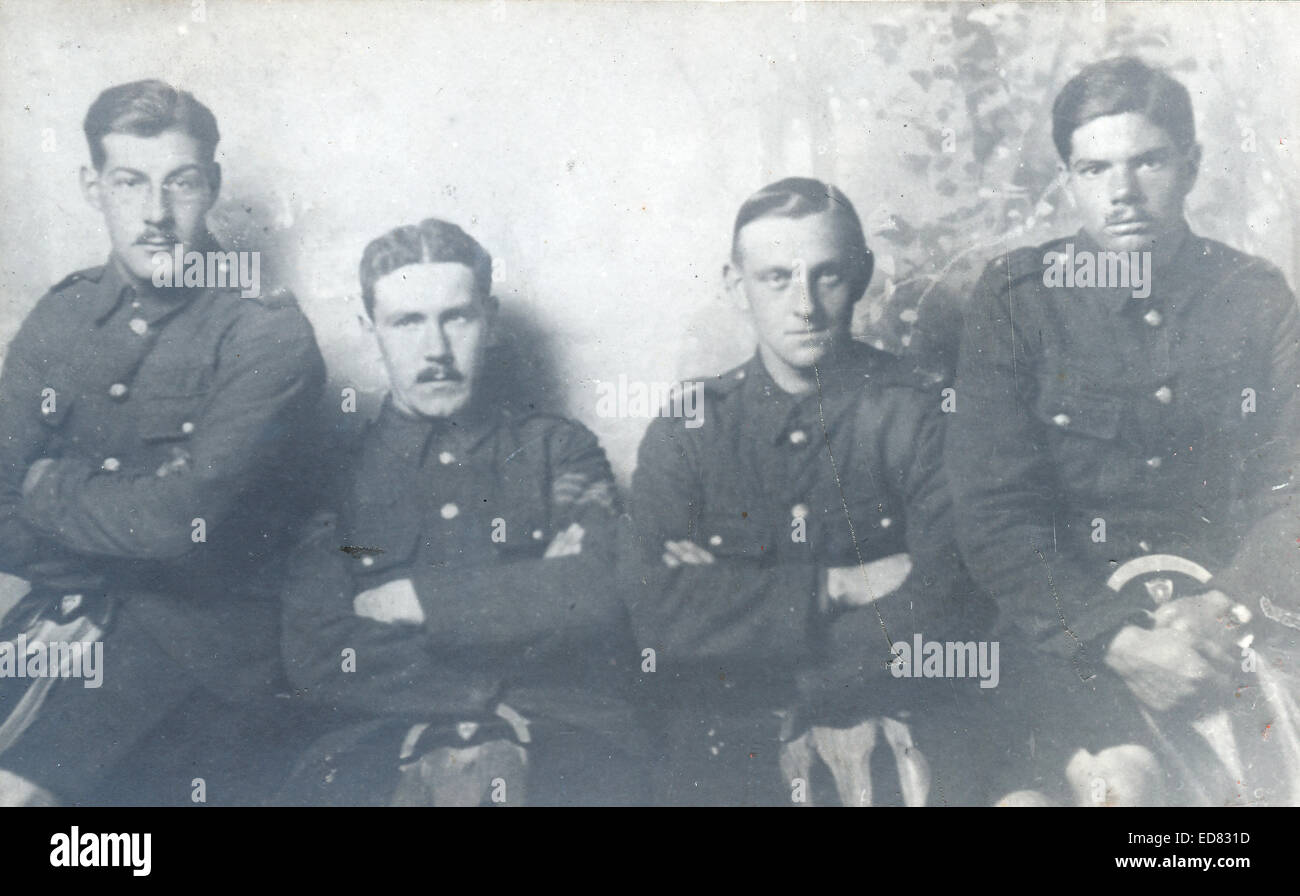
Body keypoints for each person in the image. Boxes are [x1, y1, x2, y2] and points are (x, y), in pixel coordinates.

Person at [946, 56, 1300, 806]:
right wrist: (1117, 639)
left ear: (1192, 164)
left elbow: (1296, 496)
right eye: (1094, 168)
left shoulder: (1257, 298)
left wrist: (1228, 607)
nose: (1123, 193)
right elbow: (993, 516)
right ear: (1069, 178)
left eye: (1148, 161)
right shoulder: (1019, 302)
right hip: (1068, 640)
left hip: (1231, 632)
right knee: (1110, 792)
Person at [0, 79, 326, 805]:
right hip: (64, 620)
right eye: (129, 182)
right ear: (93, 186)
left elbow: (183, 521)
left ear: (210, 186)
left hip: (206, 655)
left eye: (179, 183)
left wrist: (46, 488)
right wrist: (102, 547)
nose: (155, 215)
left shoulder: (264, 331)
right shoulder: (63, 316)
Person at [625, 177, 994, 806]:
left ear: (863, 274)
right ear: (734, 286)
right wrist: (839, 587)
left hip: (901, 738)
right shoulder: (690, 427)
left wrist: (739, 621)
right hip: (729, 757)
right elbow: (656, 618)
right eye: (776, 278)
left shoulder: (919, 412)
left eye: (827, 276)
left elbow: (953, 607)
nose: (805, 306)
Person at [278, 218, 646, 806]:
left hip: (565, 732)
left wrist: (415, 603)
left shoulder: (558, 450)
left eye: (457, 317)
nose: (436, 350)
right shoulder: (332, 476)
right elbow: (317, 652)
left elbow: (599, 593)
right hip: (379, 740)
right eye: (407, 322)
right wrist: (514, 625)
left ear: (490, 320)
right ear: (369, 327)